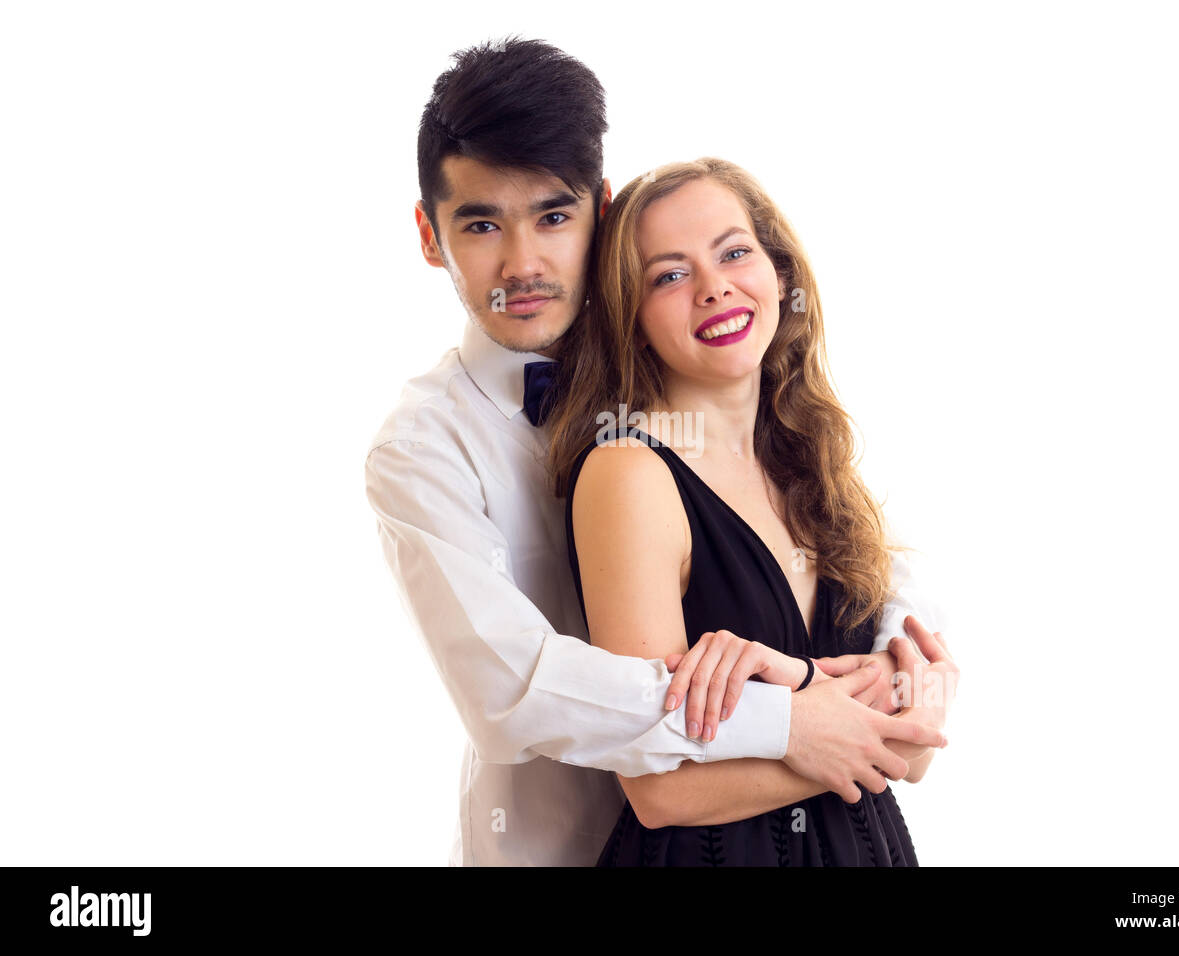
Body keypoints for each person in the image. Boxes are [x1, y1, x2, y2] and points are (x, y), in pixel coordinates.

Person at [363, 36, 948, 867]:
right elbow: (511, 687)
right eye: (482, 223)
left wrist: (904, 650)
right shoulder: (421, 450)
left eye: (555, 216)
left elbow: (848, 548)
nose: (524, 263)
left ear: (600, 214)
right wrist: (795, 711)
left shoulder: (691, 384)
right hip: (560, 847)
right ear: (431, 235)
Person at [548, 158, 959, 865]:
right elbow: (659, 791)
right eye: (669, 275)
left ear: (780, 275)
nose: (714, 288)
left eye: (735, 253)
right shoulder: (628, 473)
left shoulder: (811, 458)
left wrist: (854, 701)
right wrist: (822, 730)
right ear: (636, 321)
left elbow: (916, 754)